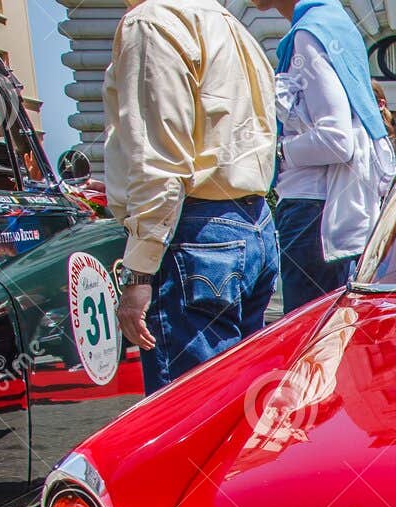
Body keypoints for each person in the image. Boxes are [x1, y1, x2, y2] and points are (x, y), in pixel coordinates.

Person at [104, 0, 278, 394]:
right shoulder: (229, 25)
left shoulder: (152, 21)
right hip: (251, 222)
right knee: (233, 405)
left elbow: (160, 160)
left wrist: (139, 271)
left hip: (196, 232)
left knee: (190, 414)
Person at [256, 0, 395, 313]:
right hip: (330, 213)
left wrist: (278, 151)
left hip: (313, 215)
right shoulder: (330, 24)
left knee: (312, 346)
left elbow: (335, 140)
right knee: (332, 340)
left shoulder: (310, 33)